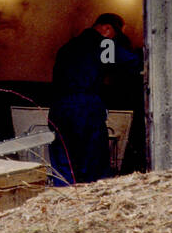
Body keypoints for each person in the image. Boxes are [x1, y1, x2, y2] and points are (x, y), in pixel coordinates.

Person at [47, 13, 140, 185]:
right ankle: (93, 202)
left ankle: (63, 199)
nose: (114, 39)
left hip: (59, 107)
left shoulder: (67, 46)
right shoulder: (103, 44)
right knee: (93, 160)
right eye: (115, 35)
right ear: (107, 29)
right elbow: (132, 62)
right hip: (85, 107)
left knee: (64, 159)